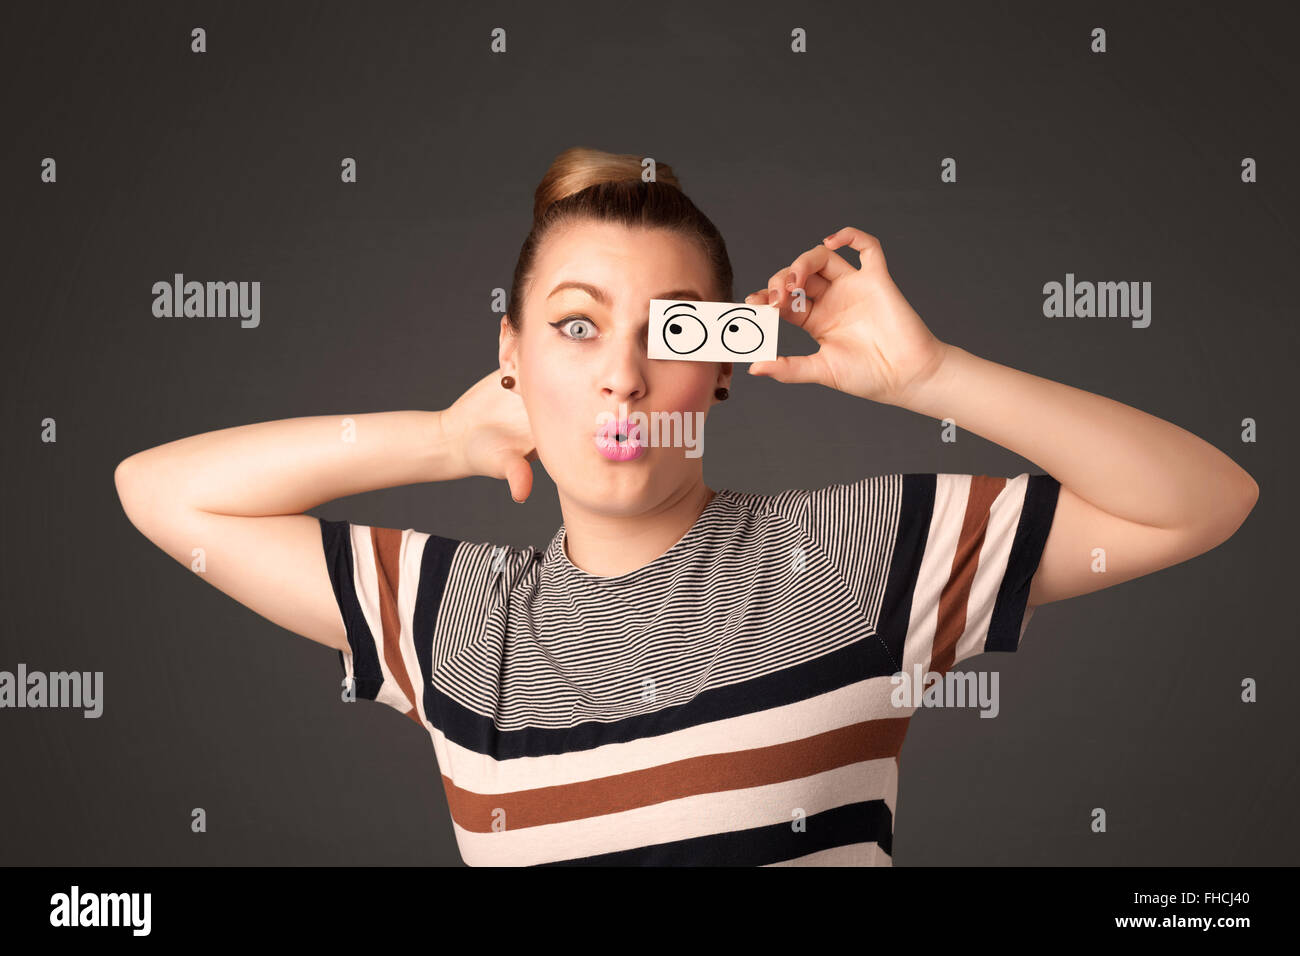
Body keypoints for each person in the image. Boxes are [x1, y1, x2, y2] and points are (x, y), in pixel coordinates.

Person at [113, 146, 1258, 866]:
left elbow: (1200, 502)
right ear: (510, 353)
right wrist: (444, 437)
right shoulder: (456, 620)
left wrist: (933, 376)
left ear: (719, 368)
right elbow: (160, 493)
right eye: (575, 326)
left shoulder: (848, 557)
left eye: (670, 330)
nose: (621, 376)